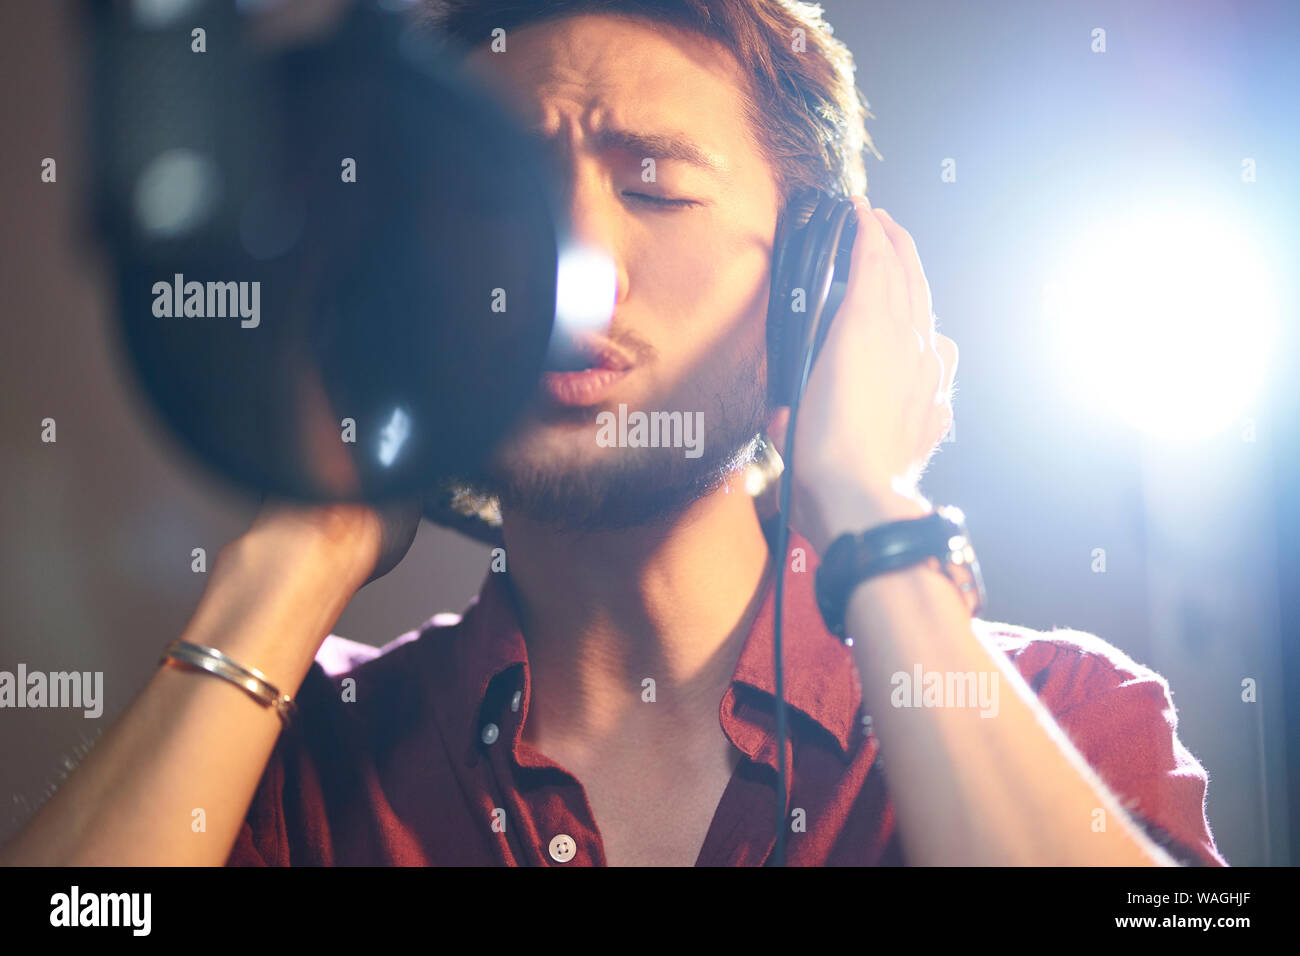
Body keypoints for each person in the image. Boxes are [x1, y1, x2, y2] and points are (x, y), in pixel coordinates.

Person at [0, 0, 1226, 867]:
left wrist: (865, 501)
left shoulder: (1068, 713)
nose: (568, 274)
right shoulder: (284, 764)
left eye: (654, 185)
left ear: (815, 281)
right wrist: (300, 543)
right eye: (506, 207)